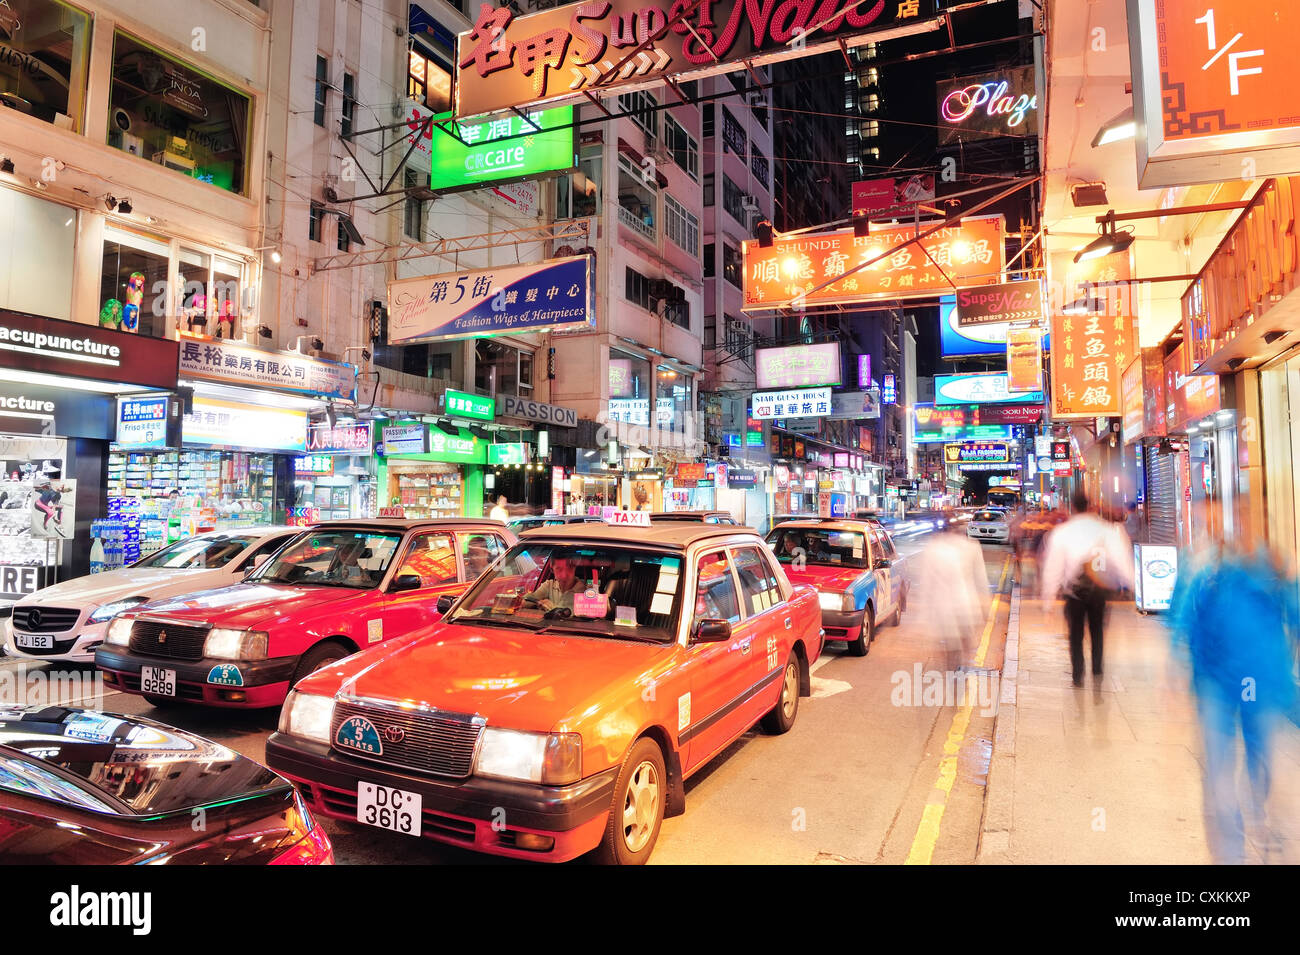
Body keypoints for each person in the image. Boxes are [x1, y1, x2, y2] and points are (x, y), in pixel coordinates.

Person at [1167, 524, 1298, 863]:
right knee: (1242, 760)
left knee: (1241, 760)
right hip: (1236, 683)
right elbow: (1184, 621)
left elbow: (1182, 623)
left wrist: (1176, 670)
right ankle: (1240, 829)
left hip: (1240, 682)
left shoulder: (1270, 577)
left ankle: (1245, 822)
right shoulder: (1214, 574)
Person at [1039, 490, 1134, 686]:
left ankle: (1077, 674)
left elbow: (1053, 569)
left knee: (1075, 634)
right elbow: (1122, 562)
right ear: (1090, 505)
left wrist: (1047, 601)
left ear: (1072, 507)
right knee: (1097, 630)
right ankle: (1097, 670)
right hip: (1099, 591)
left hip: (1074, 592)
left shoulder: (1062, 532)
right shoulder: (1107, 530)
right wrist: (1135, 588)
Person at [909, 520, 990, 671]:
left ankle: (954, 668)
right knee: (963, 644)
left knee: (951, 645)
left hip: (945, 607)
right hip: (965, 604)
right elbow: (981, 580)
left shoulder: (934, 549)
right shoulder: (971, 547)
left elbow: (926, 584)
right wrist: (985, 606)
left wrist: (923, 617)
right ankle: (960, 668)